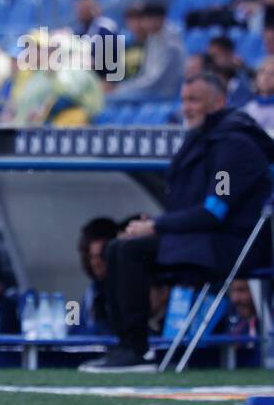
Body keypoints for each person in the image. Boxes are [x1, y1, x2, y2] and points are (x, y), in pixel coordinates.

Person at [81, 73, 274, 371]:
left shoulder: (235, 146)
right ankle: (124, 346)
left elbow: (214, 210)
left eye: (194, 100)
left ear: (219, 102)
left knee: (130, 251)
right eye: (183, 100)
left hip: (232, 246)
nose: (186, 107)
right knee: (117, 247)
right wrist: (157, 224)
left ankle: (136, 350)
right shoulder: (201, 139)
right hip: (202, 241)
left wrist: (158, 226)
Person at [77, 216, 119, 333]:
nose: (95, 263)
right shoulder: (90, 293)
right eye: (91, 257)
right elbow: (73, 328)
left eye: (101, 256)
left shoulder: (125, 291)